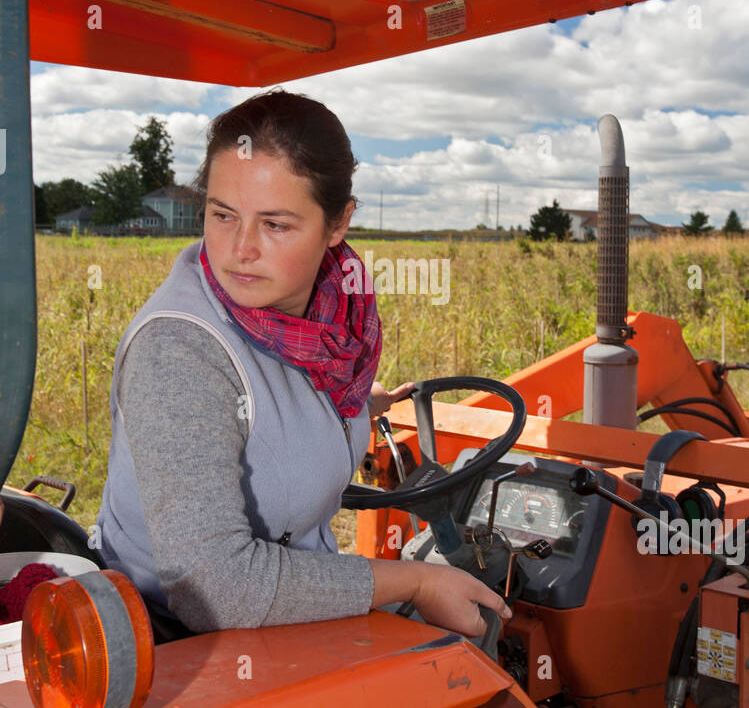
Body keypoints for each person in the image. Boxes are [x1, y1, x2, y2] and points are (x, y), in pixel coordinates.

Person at [96, 88, 510, 639]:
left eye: (275, 224)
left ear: (337, 224)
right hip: (180, 647)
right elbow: (214, 589)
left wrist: (355, 408)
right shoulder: (179, 350)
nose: (239, 249)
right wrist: (414, 581)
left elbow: (274, 411)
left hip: (283, 620)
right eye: (222, 215)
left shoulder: (332, 320)